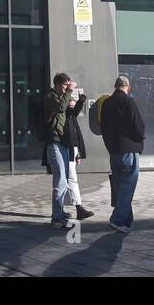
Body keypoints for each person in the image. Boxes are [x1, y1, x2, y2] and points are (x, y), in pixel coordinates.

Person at [100, 74, 146, 234]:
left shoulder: (106, 103)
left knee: (121, 187)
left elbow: (102, 127)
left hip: (114, 151)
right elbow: (138, 125)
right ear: (128, 87)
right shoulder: (129, 101)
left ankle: (127, 221)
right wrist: (140, 141)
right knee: (128, 186)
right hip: (128, 150)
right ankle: (117, 219)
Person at [42, 73, 76, 229]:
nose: (66, 88)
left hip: (63, 143)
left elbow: (68, 113)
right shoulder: (50, 97)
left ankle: (59, 212)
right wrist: (69, 93)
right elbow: (60, 107)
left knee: (64, 179)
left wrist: (78, 102)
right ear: (57, 84)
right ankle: (57, 218)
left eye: (67, 85)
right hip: (54, 143)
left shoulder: (61, 97)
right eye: (64, 85)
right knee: (60, 180)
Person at [60, 82, 94, 221]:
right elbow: (73, 113)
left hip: (71, 149)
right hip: (67, 148)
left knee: (67, 180)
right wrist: (81, 101)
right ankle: (78, 208)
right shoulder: (66, 114)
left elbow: (77, 135)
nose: (72, 104)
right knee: (70, 179)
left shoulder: (71, 118)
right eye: (71, 102)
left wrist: (78, 153)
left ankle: (61, 209)